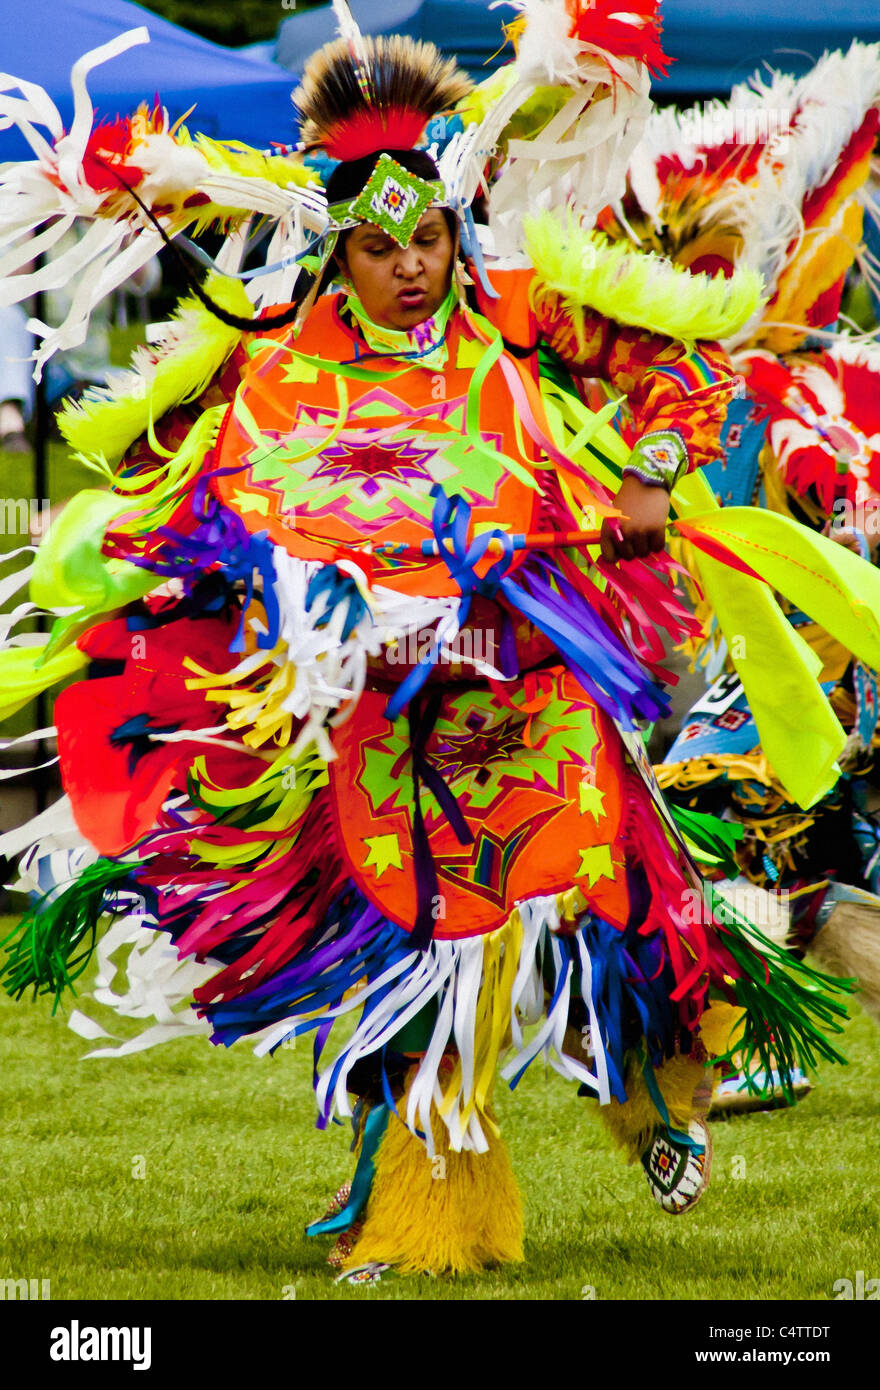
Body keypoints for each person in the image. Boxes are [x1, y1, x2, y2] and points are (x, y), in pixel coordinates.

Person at [0, 2, 855, 1283]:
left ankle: (656, 1089)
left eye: (432, 235)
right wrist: (299, 606)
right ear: (338, 252)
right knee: (425, 954)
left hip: (529, 681)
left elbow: (682, 365)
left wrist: (651, 477)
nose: (412, 264)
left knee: (615, 903)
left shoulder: (516, 332)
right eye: (382, 244)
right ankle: (416, 1203)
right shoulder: (282, 373)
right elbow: (222, 508)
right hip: (381, 714)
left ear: (455, 231)